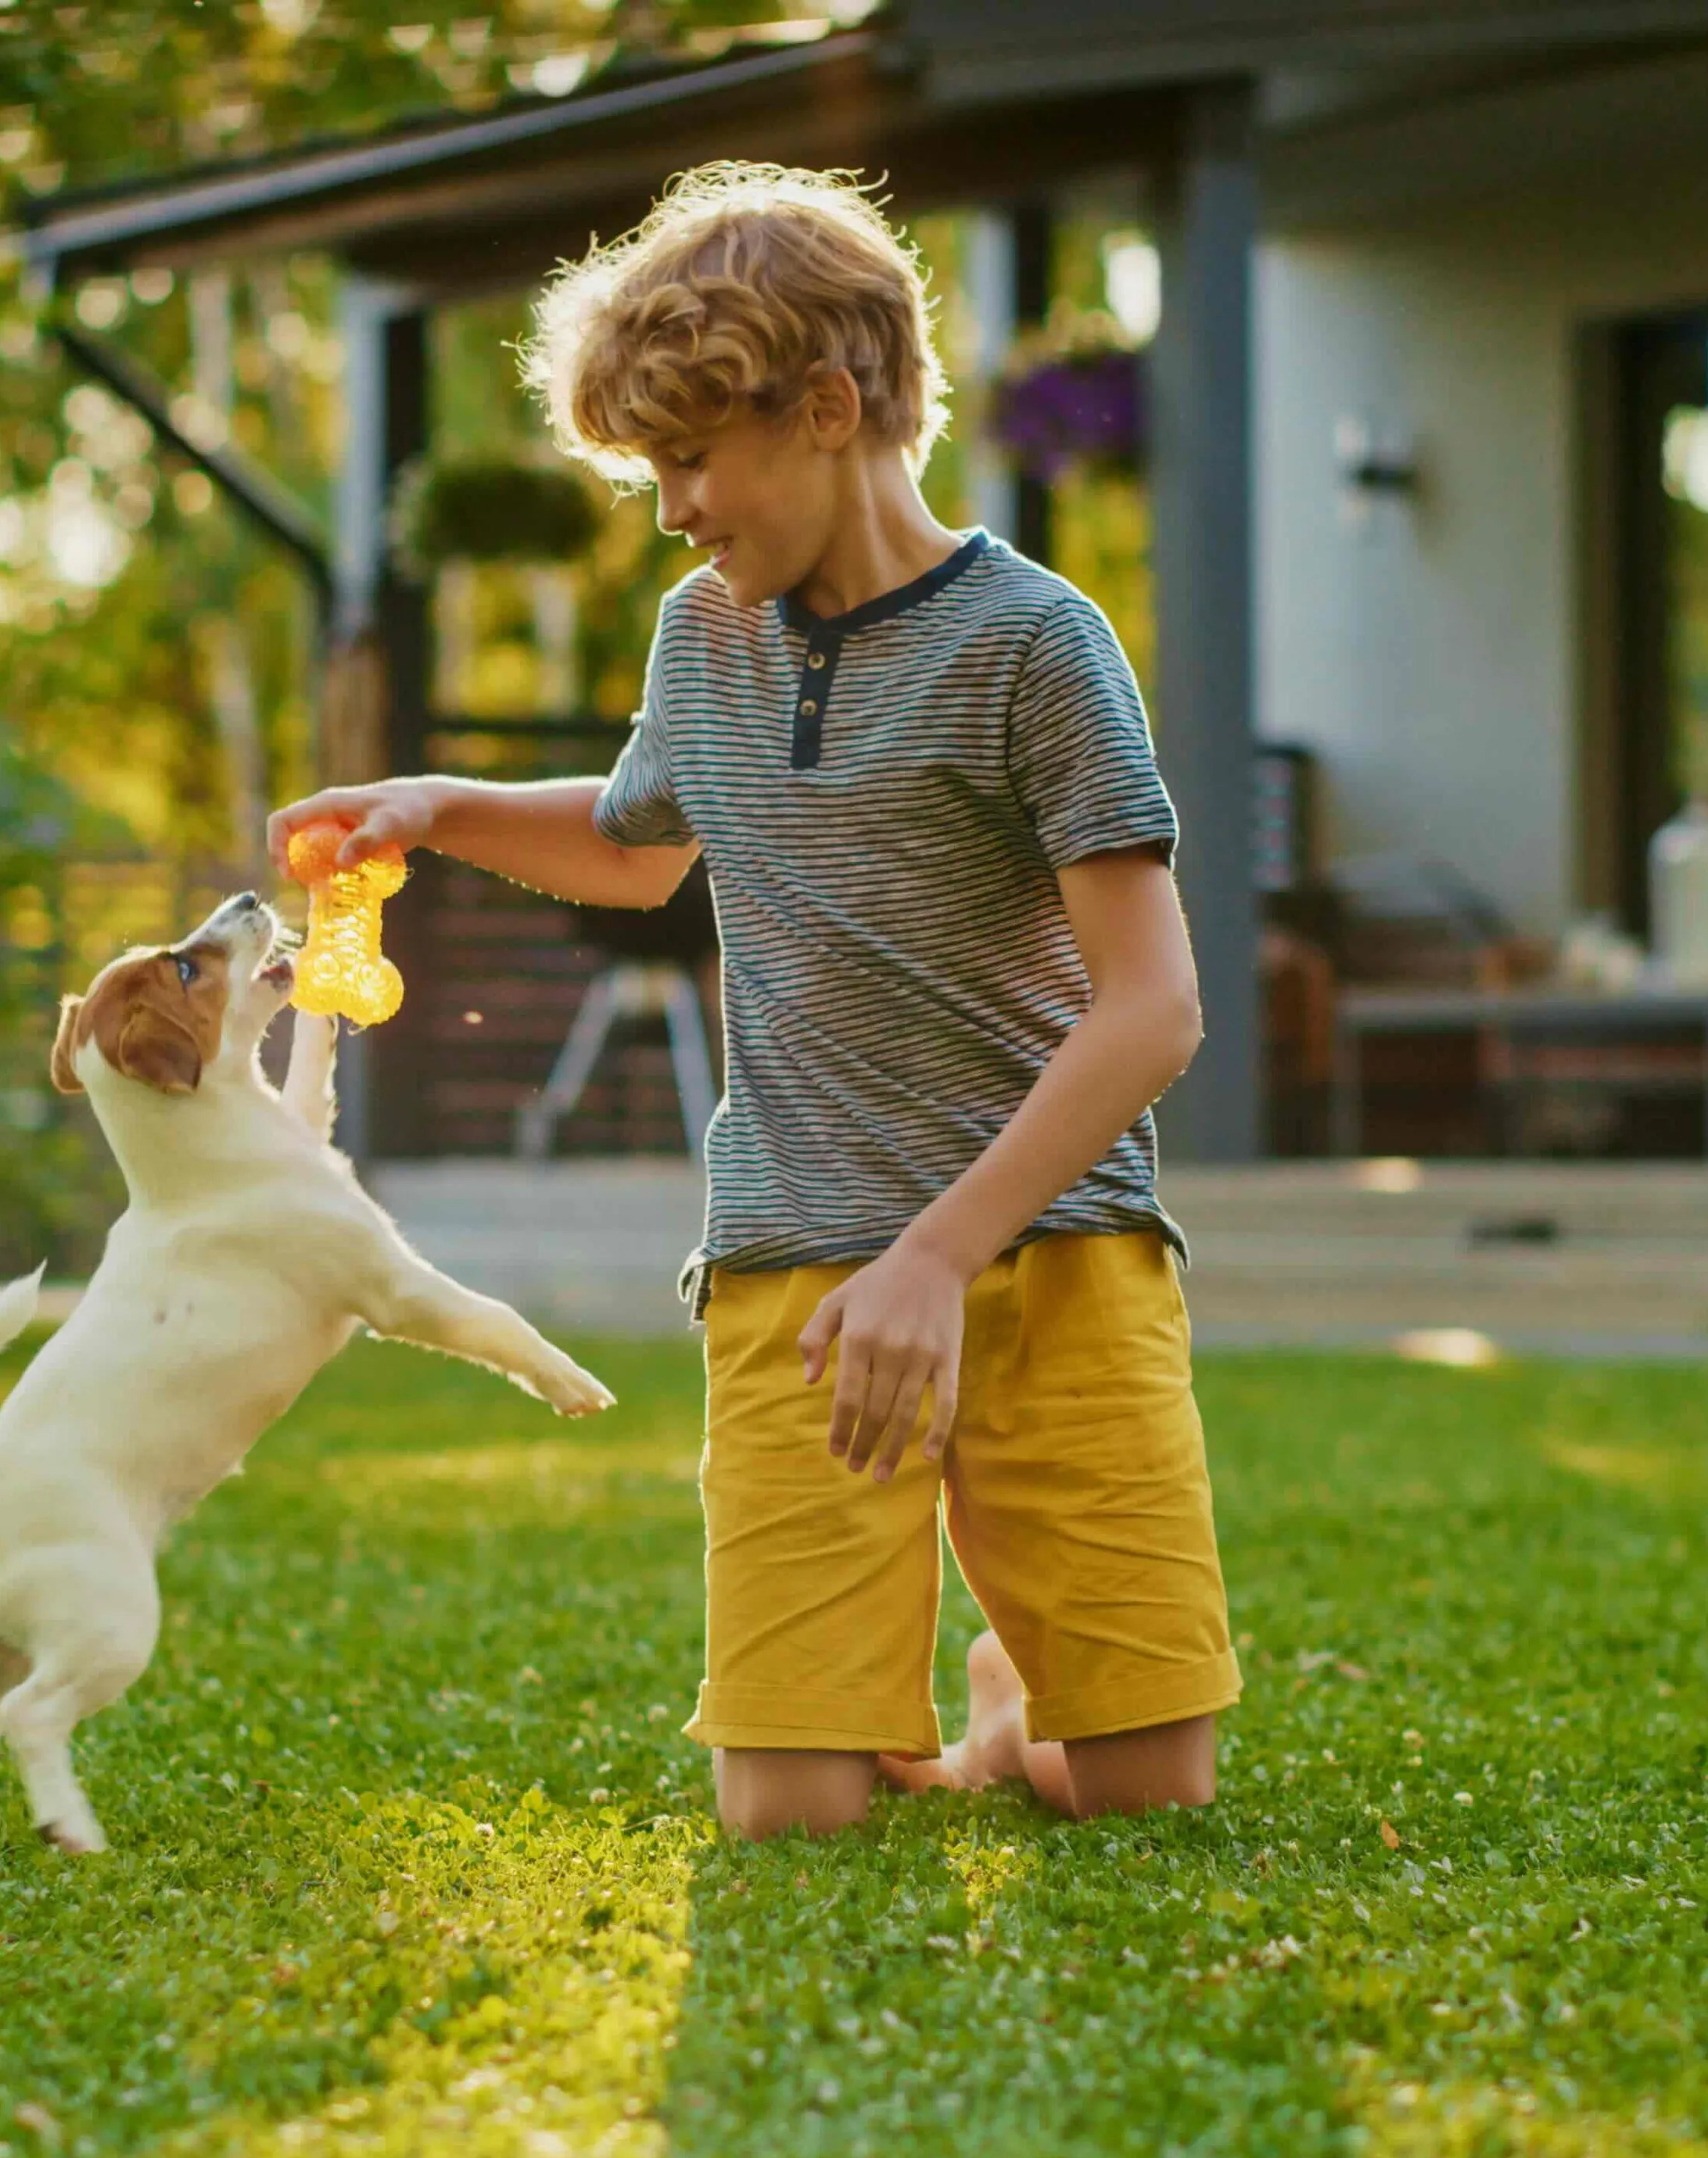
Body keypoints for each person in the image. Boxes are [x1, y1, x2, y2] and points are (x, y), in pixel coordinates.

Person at [267, 163, 1235, 1840]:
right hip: (796, 1261)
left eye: (692, 459)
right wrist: (442, 804)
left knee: (1135, 1793)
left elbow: (1152, 1009)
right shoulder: (701, 639)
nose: (672, 507)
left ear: (832, 406)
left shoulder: (1036, 643)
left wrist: (939, 1250)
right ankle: (937, 1683)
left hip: (1055, 1257)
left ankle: (1012, 1699)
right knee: (788, 1811)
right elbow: (648, 844)